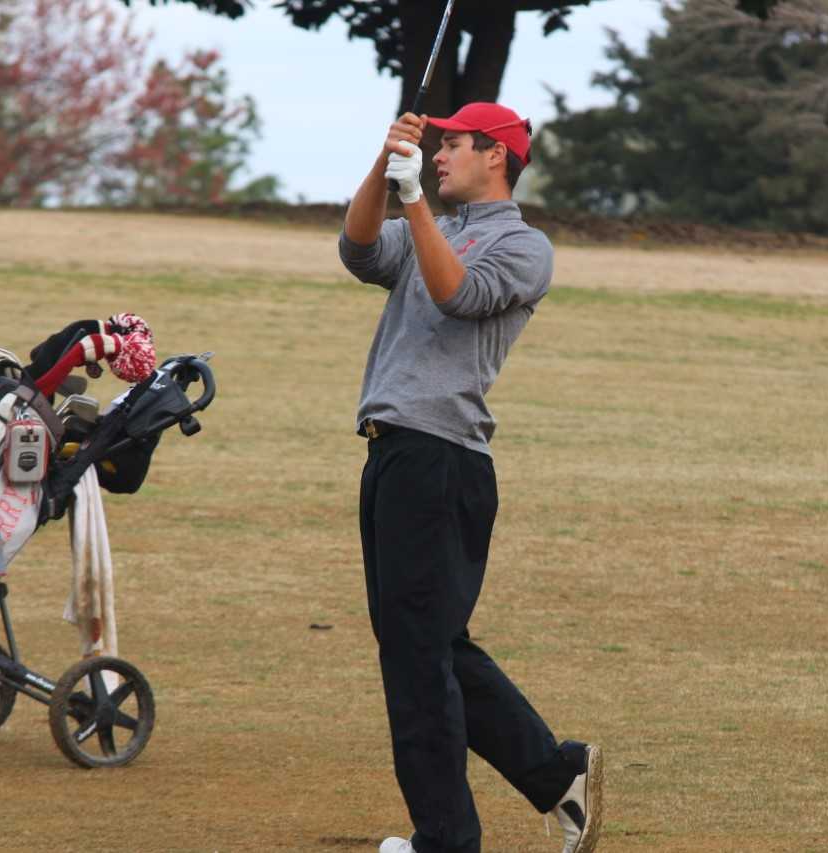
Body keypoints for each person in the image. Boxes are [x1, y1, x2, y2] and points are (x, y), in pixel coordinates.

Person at [338, 101, 604, 853]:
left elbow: (459, 294)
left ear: (498, 156)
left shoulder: (524, 248)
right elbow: (358, 250)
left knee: (418, 656)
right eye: (439, 144)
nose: (442, 153)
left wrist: (416, 199)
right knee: (426, 640)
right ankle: (556, 775)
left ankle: (445, 839)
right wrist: (383, 169)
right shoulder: (435, 225)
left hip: (442, 459)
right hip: (394, 454)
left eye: (454, 144)